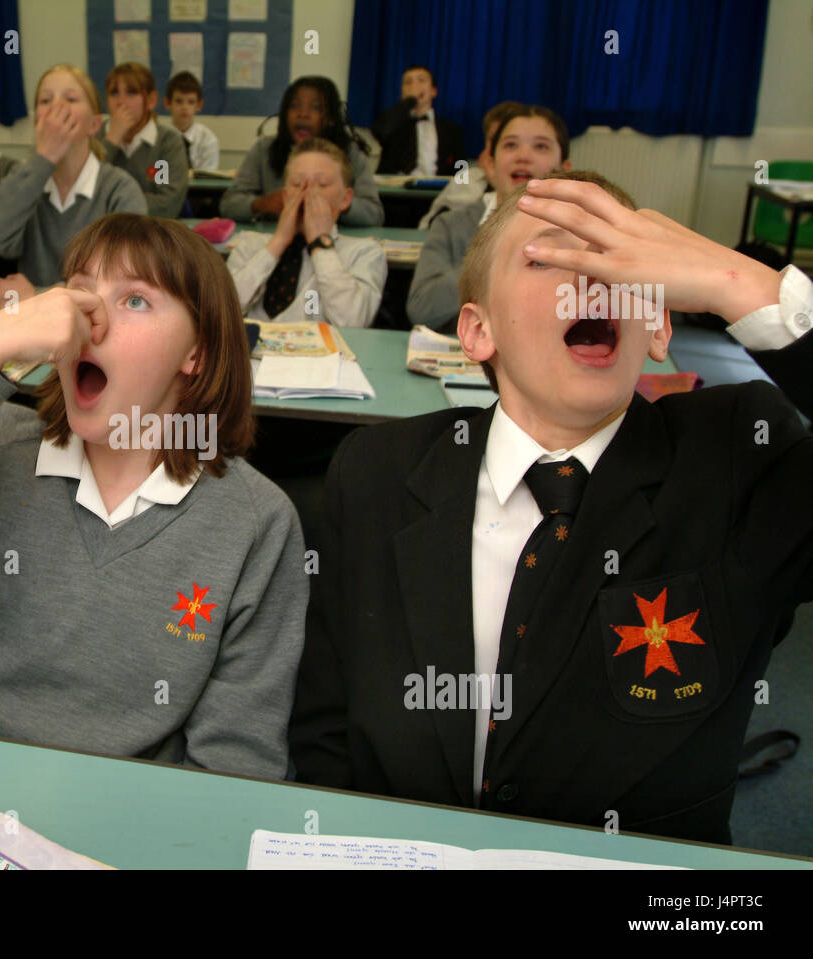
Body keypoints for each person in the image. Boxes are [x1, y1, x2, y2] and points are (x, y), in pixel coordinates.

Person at [290, 170, 813, 844]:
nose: (585, 280)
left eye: (616, 260)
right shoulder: (377, 473)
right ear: (477, 331)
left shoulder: (737, 457)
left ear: (658, 323)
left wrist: (744, 284)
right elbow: (327, 720)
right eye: (547, 259)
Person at [0, 213, 308, 779]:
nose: (89, 320)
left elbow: (238, 762)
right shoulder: (0, 443)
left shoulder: (256, 522)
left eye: (136, 300)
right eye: (79, 291)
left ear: (195, 353)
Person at [0, 64, 146, 308]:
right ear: (38, 124)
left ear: (94, 124)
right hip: (34, 329)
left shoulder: (119, 188)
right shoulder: (26, 181)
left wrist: (38, 296)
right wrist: (44, 157)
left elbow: (124, 280)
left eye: (71, 98)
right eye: (45, 100)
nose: (57, 107)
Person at [408, 104, 570, 332]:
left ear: (564, 168)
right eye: (510, 145)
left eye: (541, 146)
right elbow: (422, 310)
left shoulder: (580, 234)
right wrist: (497, 254)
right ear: (490, 163)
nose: (523, 156)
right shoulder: (452, 225)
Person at [226, 138, 386, 327]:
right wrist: (277, 243)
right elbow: (222, 310)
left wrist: (320, 244)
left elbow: (352, 322)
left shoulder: (364, 253)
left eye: (322, 184)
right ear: (285, 195)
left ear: (345, 199)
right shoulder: (250, 245)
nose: (308, 193)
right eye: (297, 184)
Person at [220, 76, 383, 226]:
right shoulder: (264, 149)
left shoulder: (349, 152)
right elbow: (228, 205)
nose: (303, 114)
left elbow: (374, 214)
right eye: (294, 106)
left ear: (331, 118)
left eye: (316, 108)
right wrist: (260, 204)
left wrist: (338, 202)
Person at [97, 61, 190, 218]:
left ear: (151, 100)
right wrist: (111, 141)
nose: (120, 102)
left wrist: (111, 204)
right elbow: (85, 194)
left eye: (131, 93)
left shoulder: (165, 143)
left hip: (151, 233)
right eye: (114, 93)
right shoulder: (96, 136)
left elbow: (165, 203)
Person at [418, 100, 524, 230]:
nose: (498, 147)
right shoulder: (466, 180)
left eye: (510, 143)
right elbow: (430, 226)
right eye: (494, 139)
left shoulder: (535, 183)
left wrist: (499, 186)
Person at [371, 64, 465, 177]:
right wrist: (410, 101)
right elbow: (380, 131)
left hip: (439, 191)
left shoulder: (452, 129)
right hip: (394, 191)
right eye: (408, 82)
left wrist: (462, 189)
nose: (414, 86)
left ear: (433, 91)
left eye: (421, 80)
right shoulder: (394, 122)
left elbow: (461, 164)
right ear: (402, 93)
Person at [164, 71, 220, 172]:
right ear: (168, 103)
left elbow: (207, 179)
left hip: (199, 188)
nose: (185, 107)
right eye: (179, 101)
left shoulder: (208, 140)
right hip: (166, 187)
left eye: (191, 102)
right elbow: (157, 179)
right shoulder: (160, 139)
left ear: (199, 105)